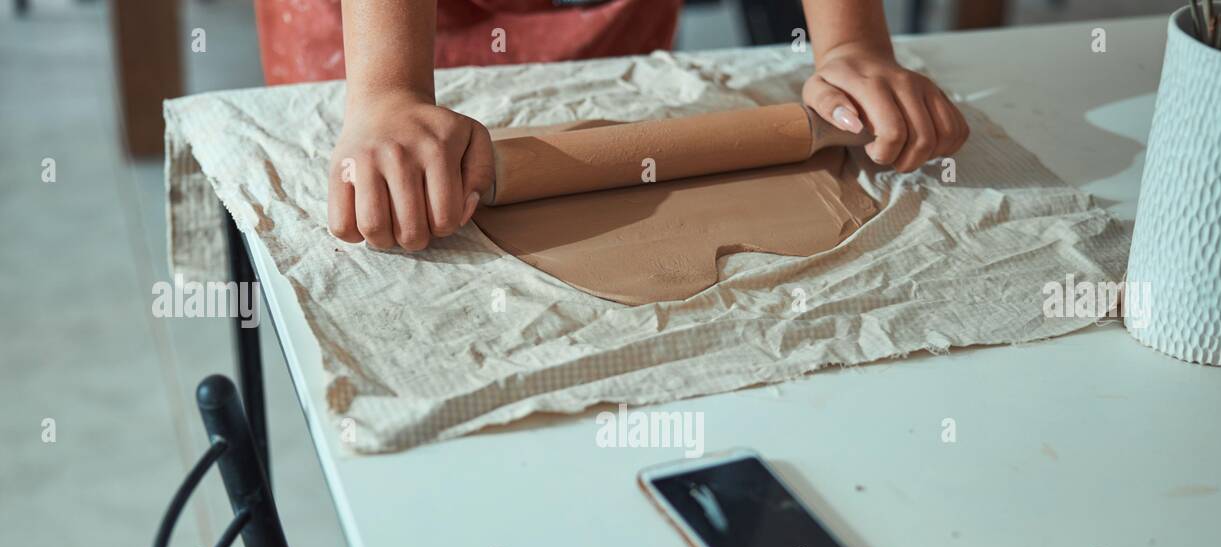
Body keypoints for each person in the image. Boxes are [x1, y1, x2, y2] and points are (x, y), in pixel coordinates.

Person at [255, 0, 969, 253]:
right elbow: (385, 98)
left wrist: (852, 45)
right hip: (393, 25)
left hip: (602, 15)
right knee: (389, 187)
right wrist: (388, 90)